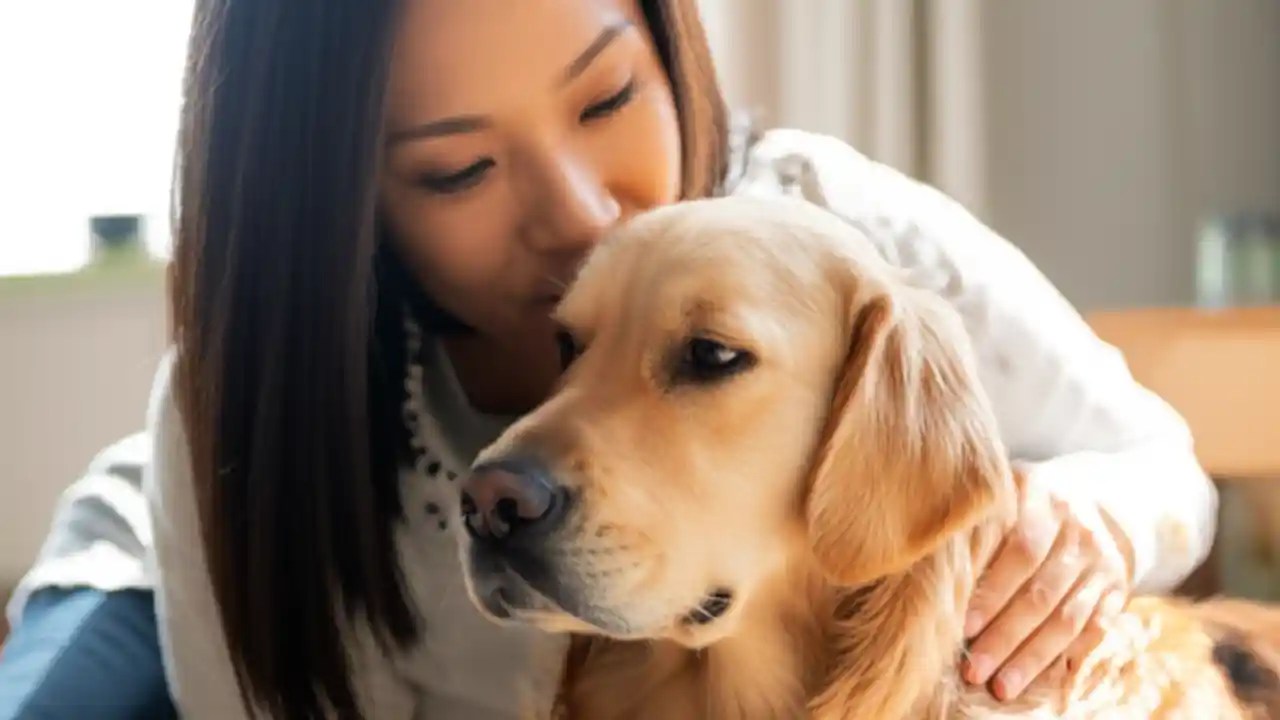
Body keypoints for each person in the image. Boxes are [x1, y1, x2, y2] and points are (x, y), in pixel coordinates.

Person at [0, 1, 1218, 718]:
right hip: (168, 557)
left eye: (606, 101)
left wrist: (1081, 522)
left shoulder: (833, 231)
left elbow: (1158, 464)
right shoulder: (245, 406)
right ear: (338, 207)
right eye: (456, 170)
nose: (583, 214)